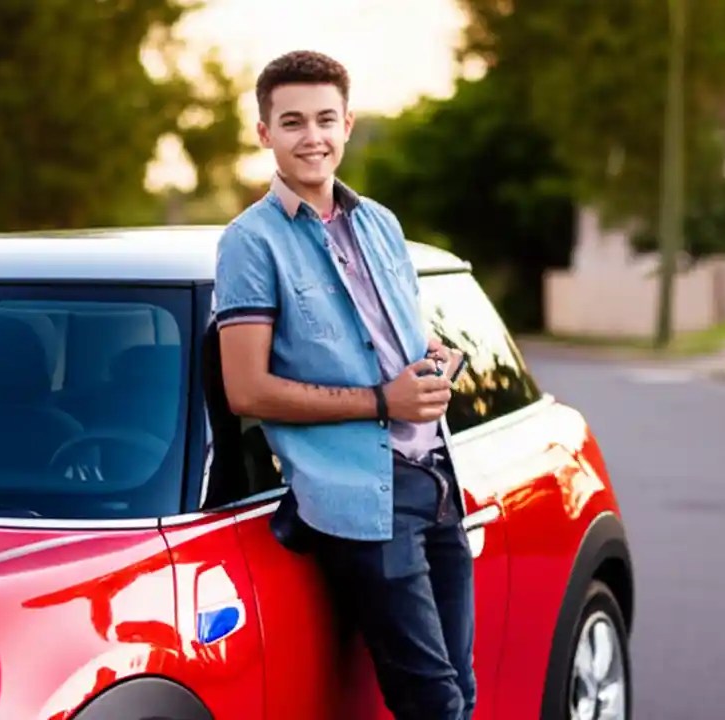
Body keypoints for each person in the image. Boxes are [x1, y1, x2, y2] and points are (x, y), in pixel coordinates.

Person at [212, 50, 475, 720]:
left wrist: (433, 361)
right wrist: (383, 401)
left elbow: (404, 339)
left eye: (325, 119)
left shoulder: (381, 224)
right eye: (292, 122)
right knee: (432, 701)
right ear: (264, 132)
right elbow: (246, 390)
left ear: (348, 124)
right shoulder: (250, 242)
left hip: (436, 477)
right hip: (362, 498)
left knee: (460, 690)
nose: (313, 137)